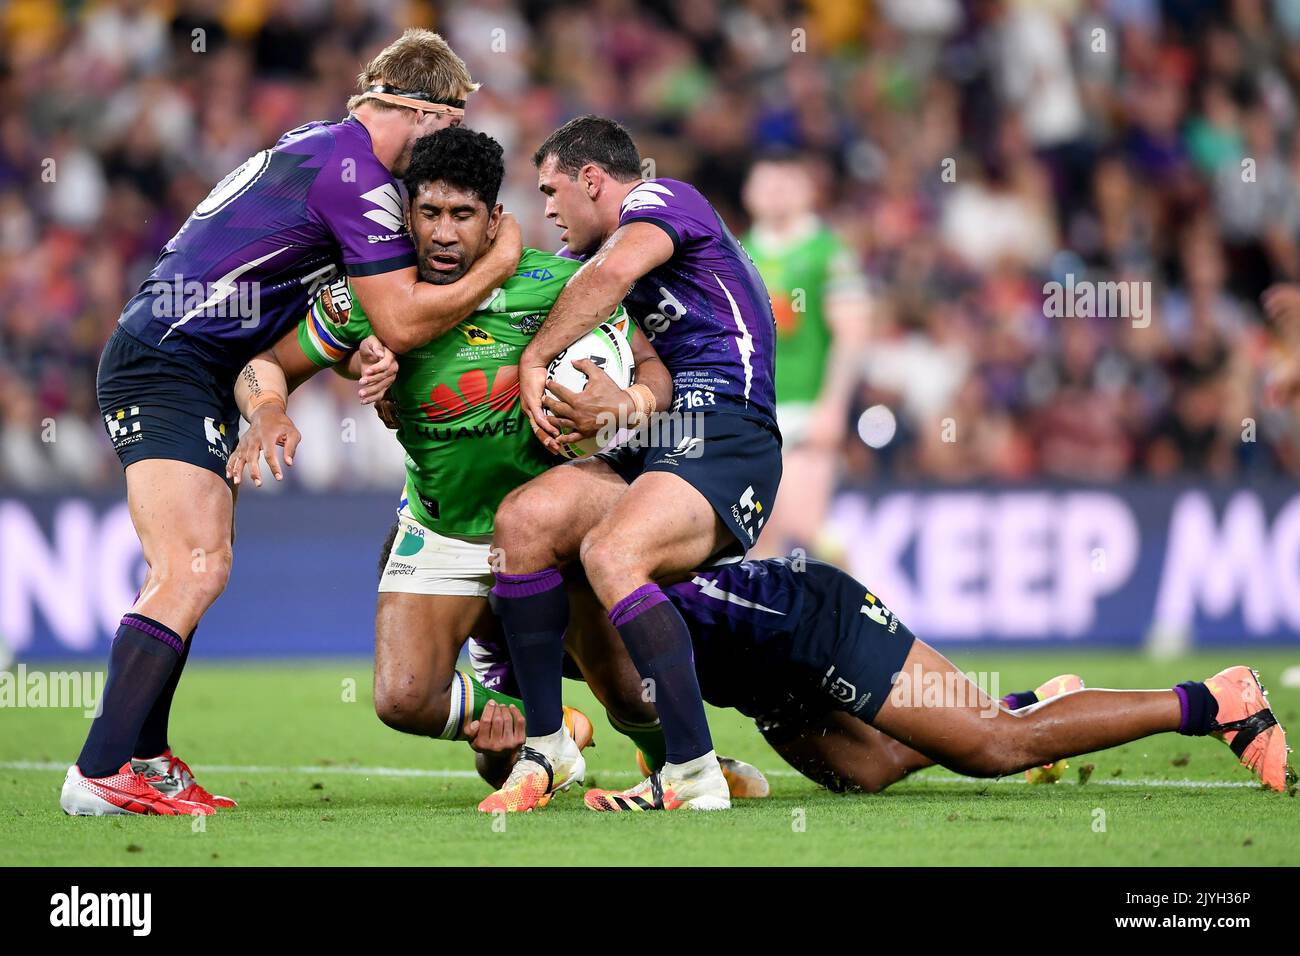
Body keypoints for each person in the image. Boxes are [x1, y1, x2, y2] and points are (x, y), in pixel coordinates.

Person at [62, 30, 522, 817]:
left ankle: (144, 754)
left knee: (190, 568)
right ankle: (101, 769)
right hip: (168, 362)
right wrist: (498, 265)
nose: (452, 143)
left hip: (194, 364)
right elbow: (405, 319)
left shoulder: (324, 149)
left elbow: (331, 316)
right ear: (418, 110)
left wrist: (355, 358)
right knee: (192, 568)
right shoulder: (359, 178)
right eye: (448, 124)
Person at [225, 127, 682, 789]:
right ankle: (536, 727)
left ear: (494, 218)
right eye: (429, 213)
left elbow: (651, 366)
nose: (444, 232)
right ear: (405, 215)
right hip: (446, 525)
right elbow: (261, 364)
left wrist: (631, 400)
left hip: (555, 526)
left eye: (463, 215)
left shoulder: (555, 282)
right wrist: (267, 410)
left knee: (633, 695)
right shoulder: (371, 297)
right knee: (403, 700)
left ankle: (682, 761)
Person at [480, 115, 783, 814]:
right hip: (663, 436)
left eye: (553, 189)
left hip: (726, 434)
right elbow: (654, 380)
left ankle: (693, 772)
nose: (548, 208)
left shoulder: (659, 203)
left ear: (593, 179)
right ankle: (549, 742)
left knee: (612, 553)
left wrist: (534, 357)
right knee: (522, 523)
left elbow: (610, 272)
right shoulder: (650, 283)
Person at [472, 558, 1295, 804]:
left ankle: (1216, 702)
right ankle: (1026, 705)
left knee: (989, 751)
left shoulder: (563, 581)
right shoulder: (500, 641)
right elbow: (558, 738)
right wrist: (499, 750)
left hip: (804, 619)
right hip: (759, 683)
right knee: (862, 775)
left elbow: (606, 701)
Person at [740, 154, 870, 559]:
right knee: (757, 538)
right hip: (754, 411)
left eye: (786, 184)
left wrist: (832, 406)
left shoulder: (828, 252)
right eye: (767, 184)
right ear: (749, 193)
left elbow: (853, 333)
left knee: (807, 526)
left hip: (805, 408)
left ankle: (853, 613)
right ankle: (772, 623)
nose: (776, 194)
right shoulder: (739, 253)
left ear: (807, 190)